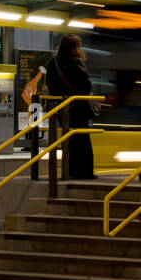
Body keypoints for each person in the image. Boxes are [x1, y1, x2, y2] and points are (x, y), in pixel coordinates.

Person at [43, 34, 96, 179]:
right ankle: (84, 172)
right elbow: (86, 84)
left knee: (68, 139)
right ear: (75, 47)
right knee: (82, 139)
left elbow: (50, 84)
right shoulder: (75, 61)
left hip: (60, 107)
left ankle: (70, 171)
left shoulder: (52, 63)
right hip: (77, 107)